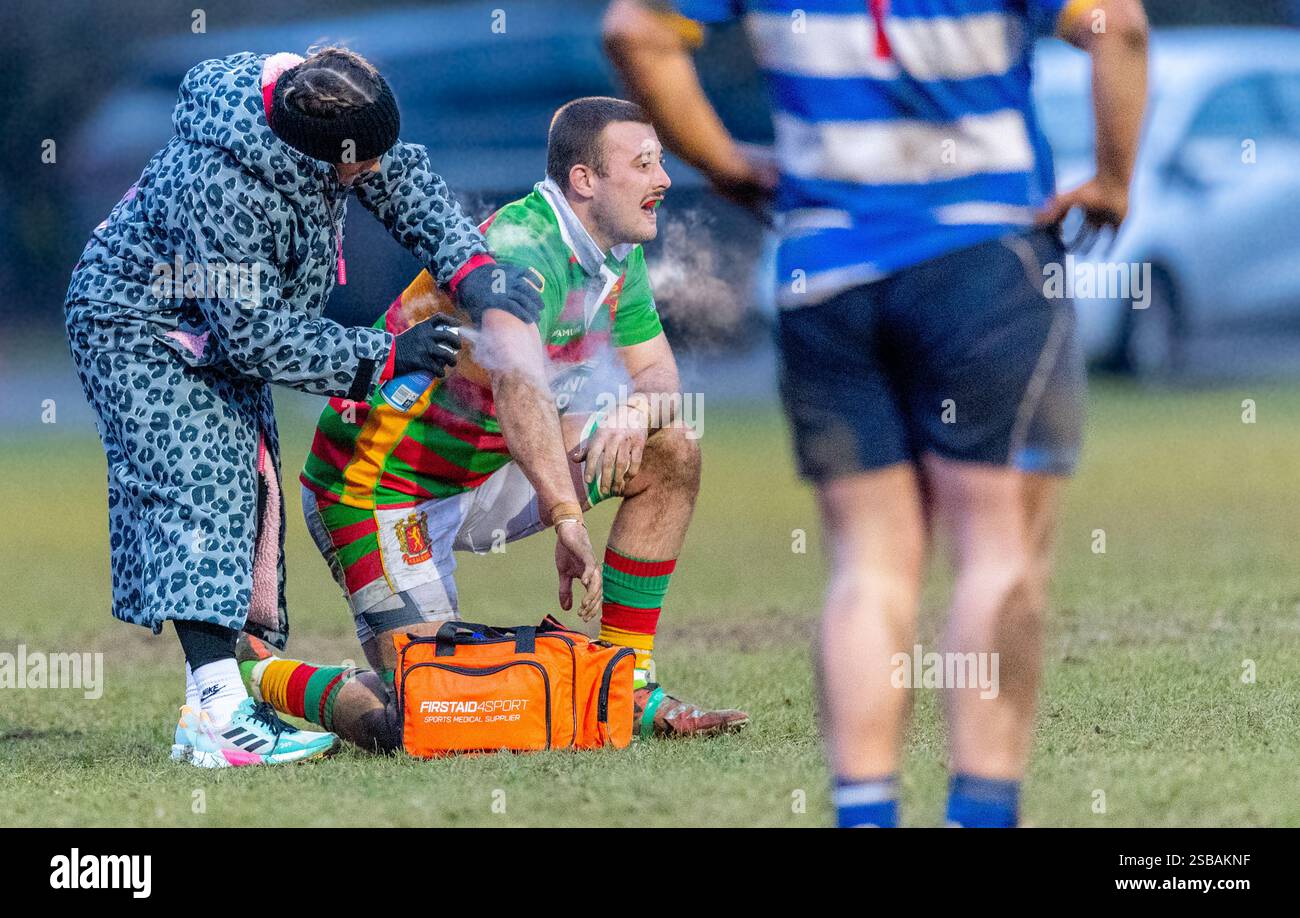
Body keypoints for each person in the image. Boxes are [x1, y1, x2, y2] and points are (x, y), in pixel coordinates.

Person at [604, 0, 1148, 825]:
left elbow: (634, 29)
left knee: (869, 563)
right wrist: (1113, 180)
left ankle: (865, 812)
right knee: (995, 549)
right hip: (985, 257)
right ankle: (981, 812)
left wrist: (725, 164)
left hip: (826, 270)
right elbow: (1121, 27)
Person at [64, 47, 542, 768]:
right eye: (360, 161)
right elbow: (253, 335)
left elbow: (398, 176)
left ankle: (221, 698)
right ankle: (219, 720)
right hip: (133, 323)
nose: (374, 170)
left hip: (204, 326)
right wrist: (383, 358)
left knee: (247, 497)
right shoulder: (220, 181)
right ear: (319, 156)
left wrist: (473, 272)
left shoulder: (325, 101)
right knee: (202, 486)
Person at [238, 96, 749, 750]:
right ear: (584, 180)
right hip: (376, 490)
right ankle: (259, 670)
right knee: (424, 720)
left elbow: (658, 377)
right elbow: (519, 385)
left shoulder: (614, 253)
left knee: (669, 445)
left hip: (486, 471)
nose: (665, 179)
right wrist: (566, 513)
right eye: (645, 163)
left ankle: (630, 687)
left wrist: (634, 409)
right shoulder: (520, 246)